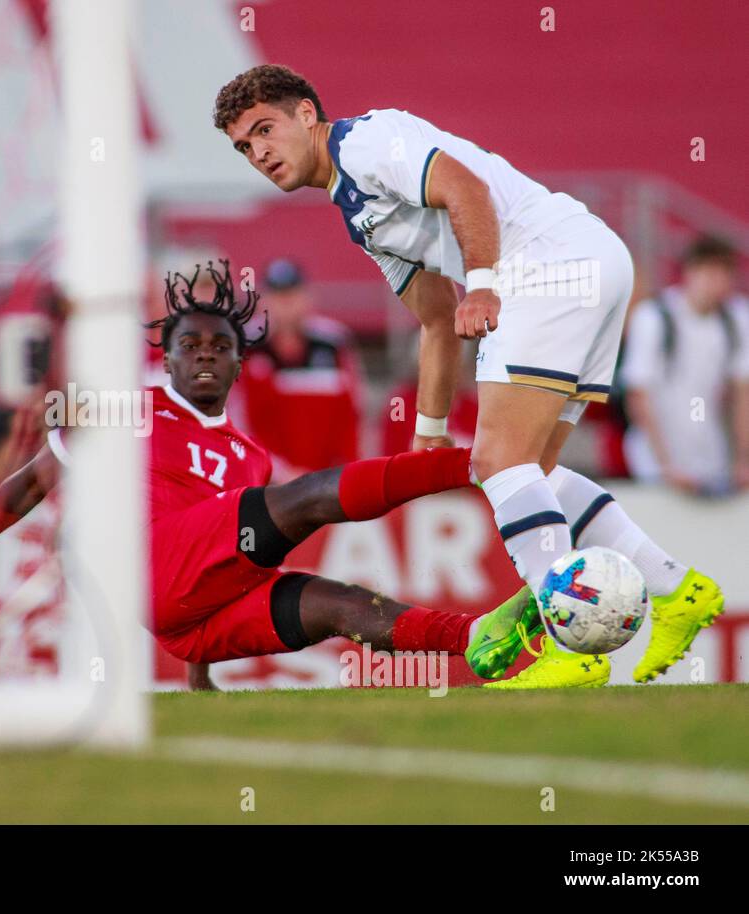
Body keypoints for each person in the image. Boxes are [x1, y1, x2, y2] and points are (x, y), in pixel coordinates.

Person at [213, 64, 723, 684]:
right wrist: (428, 432)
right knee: (529, 474)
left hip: (546, 267)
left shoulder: (368, 140)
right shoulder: (355, 211)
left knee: (502, 464)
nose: (258, 152)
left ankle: (569, 651)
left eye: (265, 129)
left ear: (306, 114)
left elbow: (464, 186)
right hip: (588, 262)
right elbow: (434, 318)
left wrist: (481, 285)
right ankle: (676, 589)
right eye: (244, 146)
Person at [0, 261, 563, 691]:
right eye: (188, 346)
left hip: (190, 626)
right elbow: (28, 483)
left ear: (238, 365)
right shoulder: (127, 409)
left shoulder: (247, 455)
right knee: (310, 496)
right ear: (165, 361)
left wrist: (198, 671)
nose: (204, 355)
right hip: (154, 573)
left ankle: (472, 642)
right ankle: (471, 462)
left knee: (339, 605)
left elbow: (228, 557)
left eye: (219, 347)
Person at [620, 235, 749, 494]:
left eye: (724, 275)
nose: (717, 284)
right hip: (653, 461)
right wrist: (665, 464)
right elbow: (638, 395)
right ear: (689, 273)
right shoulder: (654, 317)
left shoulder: (735, 319)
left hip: (711, 456)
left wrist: (742, 460)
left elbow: (742, 395)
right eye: (710, 273)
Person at [238, 258, 362, 476]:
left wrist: (346, 473)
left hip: (326, 480)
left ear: (308, 297)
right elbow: (239, 422)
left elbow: (351, 416)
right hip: (265, 481)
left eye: (292, 294)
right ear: (262, 301)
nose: (286, 303)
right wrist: (279, 472)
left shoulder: (332, 343)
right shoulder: (245, 348)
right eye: (278, 295)